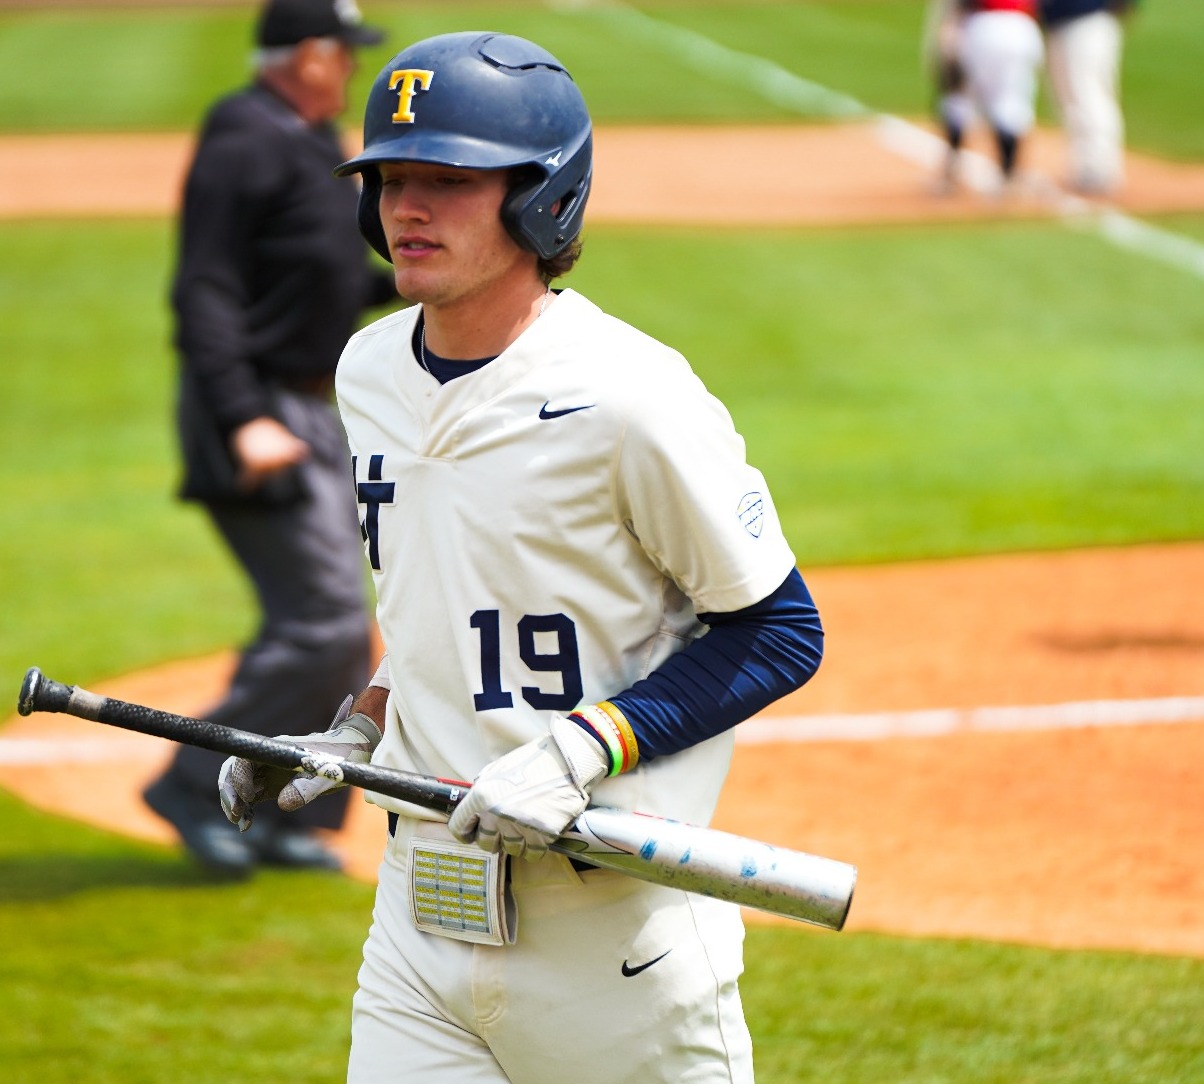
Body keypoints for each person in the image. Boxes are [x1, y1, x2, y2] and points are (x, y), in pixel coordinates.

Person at [214, 31, 827, 1082]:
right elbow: (434, 604)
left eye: (447, 181)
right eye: (392, 179)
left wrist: (575, 751)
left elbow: (778, 629)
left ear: (544, 199)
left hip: (612, 943)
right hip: (420, 929)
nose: (407, 208)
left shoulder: (630, 396)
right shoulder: (367, 371)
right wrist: (360, 726)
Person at [142, 0, 396, 876]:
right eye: (346, 54)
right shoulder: (247, 138)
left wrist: (422, 281)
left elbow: (309, 282)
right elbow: (204, 291)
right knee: (321, 619)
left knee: (333, 628)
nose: (353, 70)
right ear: (312, 55)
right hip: (251, 411)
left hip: (298, 408)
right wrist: (243, 418)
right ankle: (190, 787)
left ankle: (287, 810)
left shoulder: (297, 137)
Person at [925, 0, 1044, 194]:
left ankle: (950, 173)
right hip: (1023, 27)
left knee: (960, 96)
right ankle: (1008, 175)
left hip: (983, 26)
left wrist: (950, 32)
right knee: (1011, 101)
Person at [1041, 0, 1135, 196]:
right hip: (1062, 24)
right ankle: (1084, 167)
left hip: (1086, 24)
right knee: (1071, 99)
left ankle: (1100, 170)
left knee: (1088, 96)